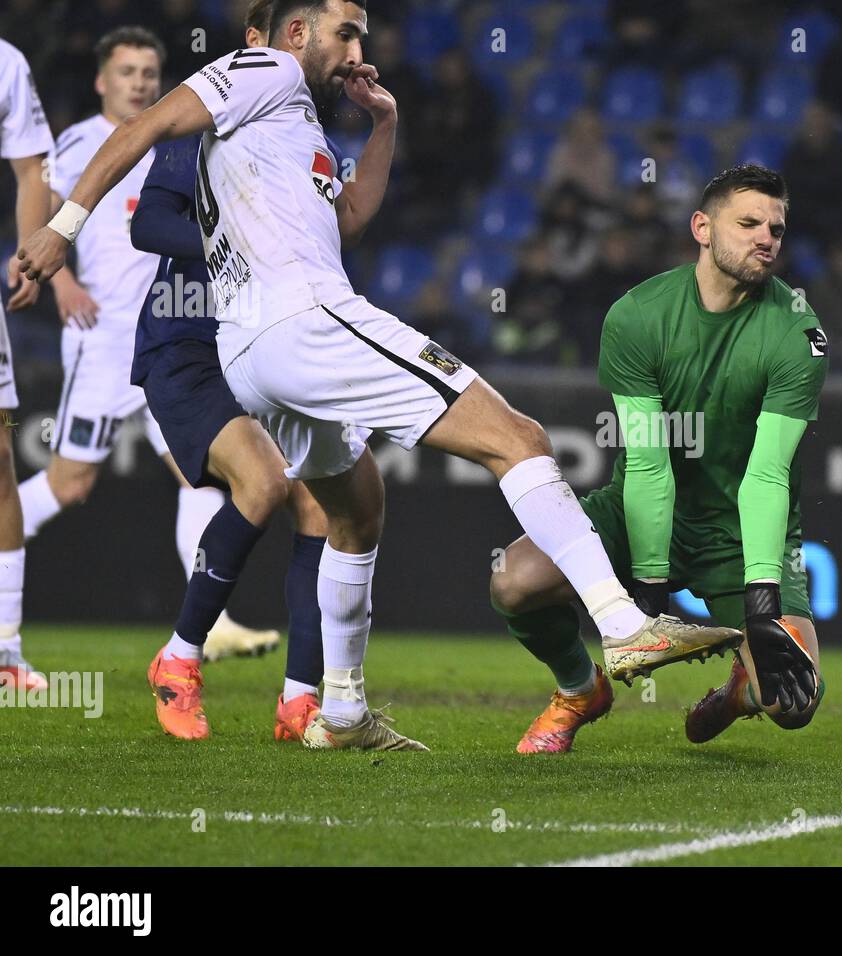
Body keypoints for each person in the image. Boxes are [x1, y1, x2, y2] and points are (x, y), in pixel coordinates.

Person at [17, 0, 740, 752]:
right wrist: (60, 229)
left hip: (256, 349)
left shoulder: (296, 127)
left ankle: (342, 712)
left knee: (354, 508)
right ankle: (623, 624)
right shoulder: (265, 68)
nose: (362, 46)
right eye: (346, 31)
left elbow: (350, 222)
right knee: (518, 438)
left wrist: (383, 125)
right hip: (305, 318)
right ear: (297, 33)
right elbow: (143, 129)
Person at [489, 165, 826, 754]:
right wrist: (645, 599)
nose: (765, 237)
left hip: (737, 533)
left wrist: (763, 602)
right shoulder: (637, 316)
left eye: (775, 227)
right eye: (747, 223)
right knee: (513, 579)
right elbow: (648, 463)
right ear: (702, 227)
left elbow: (767, 475)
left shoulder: (797, 334)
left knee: (794, 701)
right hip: (640, 509)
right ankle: (578, 689)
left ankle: (738, 690)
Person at [16, 26, 277, 663]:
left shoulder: (177, 139)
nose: (139, 82)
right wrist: (62, 282)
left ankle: (209, 624)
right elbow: (38, 205)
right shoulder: (78, 143)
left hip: (170, 341)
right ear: (103, 80)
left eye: (149, 72)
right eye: (126, 72)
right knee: (71, 482)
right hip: (102, 338)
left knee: (205, 481)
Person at [128, 0, 339, 742]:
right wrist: (233, 243)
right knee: (265, 481)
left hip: (266, 340)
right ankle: (179, 660)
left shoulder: (300, 143)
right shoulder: (202, 131)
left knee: (322, 505)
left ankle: (300, 701)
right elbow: (147, 222)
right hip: (186, 345)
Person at [0, 37, 53, 691]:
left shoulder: (6, 62)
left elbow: (32, 170)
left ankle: (5, 649)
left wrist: (28, 250)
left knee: (0, 459)